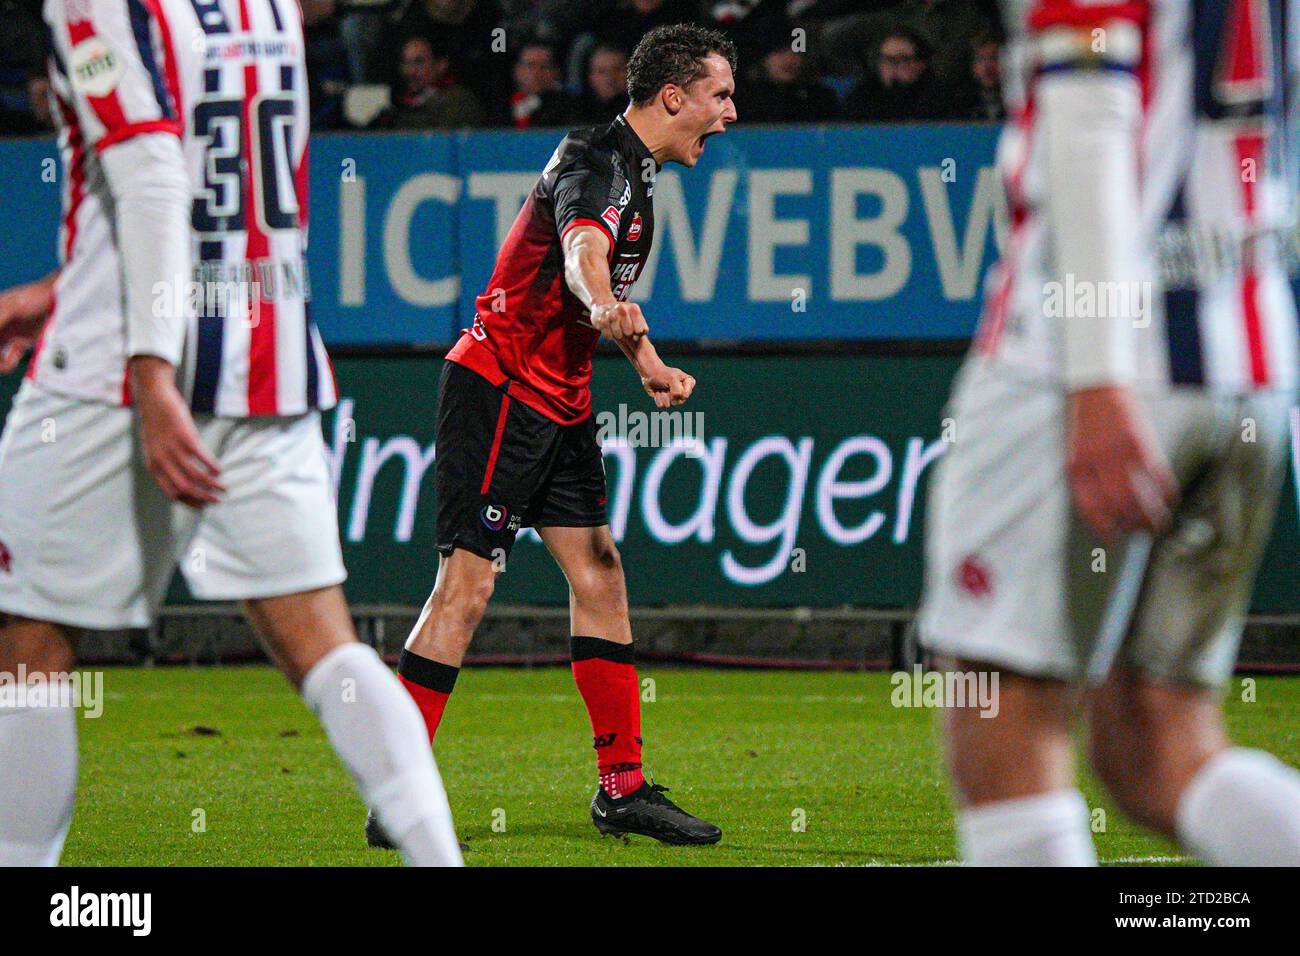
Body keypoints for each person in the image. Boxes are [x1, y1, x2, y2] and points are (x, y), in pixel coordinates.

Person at [0, 0, 461, 867]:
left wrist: (150, 372)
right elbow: (214, 193)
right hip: (265, 352)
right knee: (324, 643)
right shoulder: (268, 6)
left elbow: (156, 178)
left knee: (28, 643)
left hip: (119, 371)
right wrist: (59, 289)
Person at [919, 0, 1300, 865]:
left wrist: (1098, 378)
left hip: (1084, 357)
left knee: (1003, 719)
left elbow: (1087, 105)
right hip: (1252, 351)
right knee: (1156, 746)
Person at [366, 22, 737, 849]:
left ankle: (623, 788)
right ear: (673, 97)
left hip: (560, 400)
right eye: (719, 96)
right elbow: (581, 251)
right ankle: (397, 793)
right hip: (499, 388)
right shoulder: (594, 163)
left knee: (600, 572)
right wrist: (604, 305)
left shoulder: (633, 171)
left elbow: (597, 291)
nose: (730, 113)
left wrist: (645, 362)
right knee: (467, 590)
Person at [374, 34, 486, 130]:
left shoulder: (458, 101)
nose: (410, 71)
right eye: (405, 62)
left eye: (419, 62)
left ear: (441, 65)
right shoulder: (397, 102)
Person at [738, 20, 839, 124]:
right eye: (781, 52)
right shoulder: (743, 102)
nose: (790, 60)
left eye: (797, 52)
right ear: (764, 58)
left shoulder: (821, 99)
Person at [842, 24, 949, 123]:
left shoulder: (939, 98)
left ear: (920, 64)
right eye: (887, 60)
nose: (893, 66)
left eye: (903, 59)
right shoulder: (861, 98)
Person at [502, 40, 578, 128]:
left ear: (556, 72)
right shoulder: (500, 104)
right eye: (530, 66)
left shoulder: (569, 106)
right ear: (516, 70)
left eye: (544, 67)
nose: (536, 72)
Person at [573, 43, 629, 125]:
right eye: (602, 71)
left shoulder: (644, 109)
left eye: (617, 69)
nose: (610, 77)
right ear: (590, 76)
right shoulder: (575, 113)